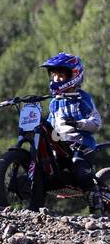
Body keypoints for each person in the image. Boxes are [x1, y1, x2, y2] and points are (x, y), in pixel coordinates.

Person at [42, 53, 102, 192]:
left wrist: (78, 123)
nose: (56, 79)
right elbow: (51, 124)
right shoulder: (54, 103)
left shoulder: (82, 98)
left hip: (82, 144)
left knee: (79, 165)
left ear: (74, 75)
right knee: (48, 167)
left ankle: (95, 199)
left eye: (61, 76)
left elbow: (96, 122)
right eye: (54, 76)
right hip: (62, 146)